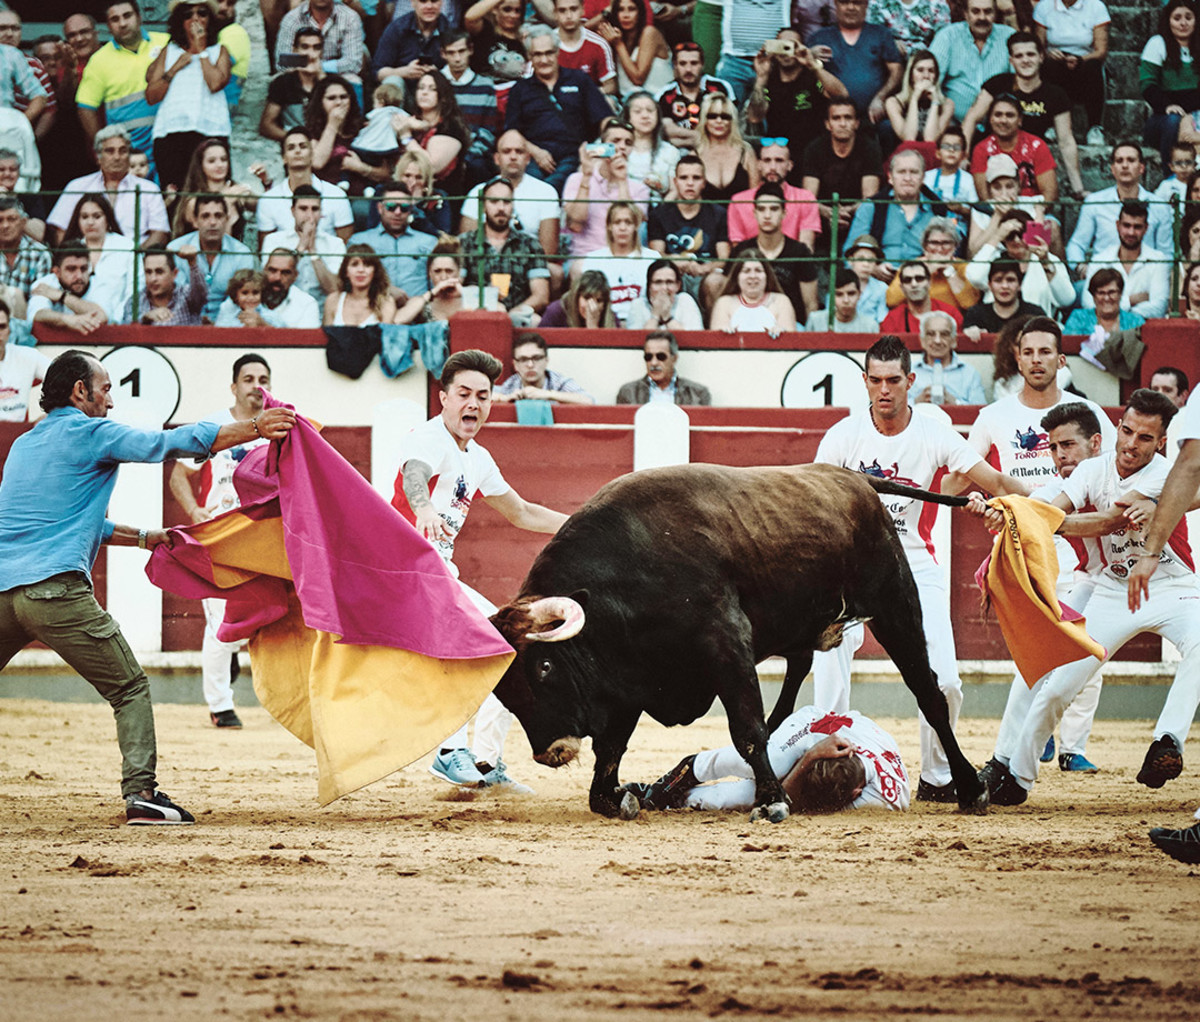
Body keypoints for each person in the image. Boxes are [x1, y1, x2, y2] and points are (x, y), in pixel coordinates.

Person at [0, 349, 296, 824]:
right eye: (107, 388)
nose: (111, 402)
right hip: (55, 592)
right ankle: (142, 794)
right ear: (81, 391)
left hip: (3, 593)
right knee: (131, 687)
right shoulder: (92, 431)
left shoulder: (25, 444)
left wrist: (143, 538)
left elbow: (64, 522)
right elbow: (165, 445)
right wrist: (255, 429)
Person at [810, 334, 1025, 802]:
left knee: (945, 679)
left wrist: (1043, 506)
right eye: (875, 380)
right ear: (864, 382)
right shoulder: (843, 436)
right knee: (830, 663)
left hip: (913, 564)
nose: (884, 390)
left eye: (893, 380)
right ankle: (824, 763)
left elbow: (992, 480)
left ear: (911, 381)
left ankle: (938, 776)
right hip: (850, 570)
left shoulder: (933, 432)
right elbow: (813, 506)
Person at [981, 389, 1200, 807]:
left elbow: (1106, 521)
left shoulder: (1166, 476)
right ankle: (1017, 778)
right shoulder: (1092, 470)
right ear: (1117, 427)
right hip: (1114, 589)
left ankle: (1167, 741)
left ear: (1162, 443)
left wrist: (1046, 522)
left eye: (1145, 438)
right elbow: (1046, 505)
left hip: (1172, 585)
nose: (1132, 444)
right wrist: (1004, 510)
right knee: (1058, 687)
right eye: (1127, 431)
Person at [392, 349, 569, 791]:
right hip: (405, 572)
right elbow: (415, 474)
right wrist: (423, 506)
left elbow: (522, 512)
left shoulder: (478, 457)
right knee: (472, 650)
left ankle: (486, 764)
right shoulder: (428, 439)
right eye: (464, 394)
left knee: (510, 648)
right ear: (444, 398)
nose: (473, 404)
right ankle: (451, 751)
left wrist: (582, 526)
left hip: (437, 575)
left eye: (483, 396)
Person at [168, 354, 274, 729]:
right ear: (234, 387)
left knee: (270, 616)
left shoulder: (278, 426)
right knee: (220, 622)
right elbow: (179, 474)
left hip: (263, 540)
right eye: (248, 379)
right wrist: (195, 511)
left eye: (263, 379)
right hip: (219, 535)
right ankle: (220, 705)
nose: (256, 386)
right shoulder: (215, 425)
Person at [628, 705, 910, 813]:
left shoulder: (877, 802)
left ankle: (676, 797)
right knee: (770, 764)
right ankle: (694, 766)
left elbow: (793, 799)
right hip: (814, 730)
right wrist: (811, 752)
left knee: (738, 797)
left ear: (857, 793)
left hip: (816, 752)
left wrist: (810, 759)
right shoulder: (854, 757)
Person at [954, 317, 1114, 496]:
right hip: (1015, 521)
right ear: (1019, 361)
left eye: (1045, 352)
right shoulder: (990, 416)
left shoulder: (1089, 411)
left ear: (1061, 361)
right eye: (1028, 353)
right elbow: (959, 478)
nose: (1036, 360)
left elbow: (1116, 472)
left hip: (1074, 520)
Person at [960, 31, 1085, 197]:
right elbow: (972, 118)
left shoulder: (1055, 94)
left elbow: (1066, 140)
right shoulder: (997, 84)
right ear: (1011, 61)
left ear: (1041, 57)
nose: (1025, 60)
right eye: (1019, 56)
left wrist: (1078, 188)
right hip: (992, 159)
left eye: (1031, 54)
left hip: (1030, 162)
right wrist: (963, 156)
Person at [503, 25, 612, 192]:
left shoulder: (579, 80)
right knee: (526, 186)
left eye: (549, 53)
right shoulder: (520, 89)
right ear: (529, 57)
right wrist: (536, 152)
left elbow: (604, 117)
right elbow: (511, 131)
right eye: (537, 54)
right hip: (534, 156)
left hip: (574, 155)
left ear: (557, 52)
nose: (544, 60)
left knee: (551, 187)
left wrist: (613, 139)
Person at [75, 1, 170, 181]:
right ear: (109, 27)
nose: (123, 23)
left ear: (139, 17)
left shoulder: (165, 42)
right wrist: (105, 146)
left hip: (170, 141)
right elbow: (85, 108)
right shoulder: (99, 61)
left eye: (127, 15)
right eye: (115, 19)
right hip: (131, 153)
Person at [144, 0, 232, 192]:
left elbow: (215, 83)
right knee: (176, 194)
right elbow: (151, 96)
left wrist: (200, 51)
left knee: (213, 194)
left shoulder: (219, 51)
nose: (195, 19)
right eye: (188, 15)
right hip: (171, 133)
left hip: (210, 131)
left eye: (202, 13)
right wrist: (174, 68)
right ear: (179, 21)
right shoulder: (170, 51)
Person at [46, 125, 170, 248]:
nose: (117, 157)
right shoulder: (77, 186)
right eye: (110, 151)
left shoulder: (148, 188)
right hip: (86, 260)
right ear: (98, 157)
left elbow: (160, 233)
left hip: (135, 260)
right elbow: (60, 231)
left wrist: (134, 259)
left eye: (123, 151)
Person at [1067, 141, 1174, 273]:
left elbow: (1166, 253)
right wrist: (1082, 268)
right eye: (1119, 161)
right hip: (1103, 278)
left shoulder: (1159, 206)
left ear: (1141, 168)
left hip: (1144, 276)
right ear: (1112, 169)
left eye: (1131, 160)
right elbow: (1077, 244)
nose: (1124, 165)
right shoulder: (1095, 201)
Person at [458, 176, 550, 322]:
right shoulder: (464, 243)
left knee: (535, 320)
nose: (501, 207)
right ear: (483, 206)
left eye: (506, 202)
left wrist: (509, 316)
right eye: (494, 201)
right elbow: (455, 286)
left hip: (515, 316)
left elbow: (541, 296)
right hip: (473, 315)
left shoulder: (530, 245)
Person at [460, 130, 561, 260]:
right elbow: (465, 248)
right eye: (506, 151)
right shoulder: (478, 192)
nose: (513, 156)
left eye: (519, 151)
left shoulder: (546, 192)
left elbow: (548, 251)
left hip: (530, 264)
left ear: (528, 158)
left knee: (554, 271)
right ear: (497, 158)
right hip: (485, 263)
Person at [745, 26, 849, 150]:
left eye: (792, 46)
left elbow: (842, 96)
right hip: (780, 151)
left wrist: (813, 65)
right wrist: (761, 78)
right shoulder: (767, 78)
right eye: (781, 46)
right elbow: (755, 117)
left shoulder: (814, 76)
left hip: (813, 150)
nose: (786, 52)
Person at [647, 153, 729, 309]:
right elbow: (656, 255)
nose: (690, 183)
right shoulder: (659, 214)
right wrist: (674, 261)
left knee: (716, 281)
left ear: (704, 182)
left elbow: (724, 258)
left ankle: (715, 330)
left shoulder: (718, 213)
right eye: (684, 178)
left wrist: (704, 268)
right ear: (675, 182)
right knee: (663, 278)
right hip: (673, 274)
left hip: (705, 276)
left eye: (696, 178)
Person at [843, 149, 943, 275]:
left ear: (923, 177)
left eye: (914, 172)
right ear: (890, 177)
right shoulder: (872, 207)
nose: (908, 178)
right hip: (877, 281)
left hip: (923, 279)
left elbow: (949, 252)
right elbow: (850, 252)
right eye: (901, 172)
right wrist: (873, 269)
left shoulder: (937, 209)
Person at [562, 120, 651, 260]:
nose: (622, 147)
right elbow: (576, 224)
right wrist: (586, 176)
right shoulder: (576, 179)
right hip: (586, 257)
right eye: (615, 141)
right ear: (602, 145)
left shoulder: (640, 189)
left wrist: (622, 181)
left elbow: (632, 224)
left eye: (628, 143)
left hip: (623, 257)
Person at [810, 0, 903, 126]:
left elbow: (896, 70)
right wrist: (810, 56)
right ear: (835, 5)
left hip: (874, 116)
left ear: (866, 5)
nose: (851, 7)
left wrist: (881, 98)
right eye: (844, 2)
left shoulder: (881, 34)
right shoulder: (819, 37)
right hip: (834, 120)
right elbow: (807, 77)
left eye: (857, 3)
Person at [966, 208, 1074, 318]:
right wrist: (996, 237)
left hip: (1037, 328)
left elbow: (1066, 300)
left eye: (1022, 234)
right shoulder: (994, 258)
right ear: (1004, 239)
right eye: (1010, 235)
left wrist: (1045, 263)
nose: (1016, 240)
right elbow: (974, 276)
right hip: (999, 328)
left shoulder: (1048, 259)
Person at [254, 129, 355, 244]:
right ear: (283, 158)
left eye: (303, 146)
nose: (297, 151)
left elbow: (345, 245)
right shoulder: (268, 200)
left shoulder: (336, 195)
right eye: (291, 148)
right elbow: (266, 250)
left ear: (312, 154)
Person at [1076, 200, 1170, 321]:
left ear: (1146, 228)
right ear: (1117, 225)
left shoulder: (1158, 260)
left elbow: (1159, 307)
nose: (1131, 232)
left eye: (1137, 227)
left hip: (1142, 331)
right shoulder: (1100, 259)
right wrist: (1131, 300)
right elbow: (1088, 304)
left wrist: (1112, 310)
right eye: (1126, 225)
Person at [168, 194, 256, 322]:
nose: (213, 222)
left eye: (218, 216)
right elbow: (175, 296)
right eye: (205, 216)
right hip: (185, 320)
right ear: (195, 221)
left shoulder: (241, 253)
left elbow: (241, 300)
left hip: (228, 323)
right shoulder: (175, 248)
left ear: (227, 219)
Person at [305, 76, 393, 204]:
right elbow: (317, 162)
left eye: (344, 97)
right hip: (326, 198)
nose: (339, 102)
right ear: (320, 102)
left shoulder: (365, 129)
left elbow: (386, 174)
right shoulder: (311, 133)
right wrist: (332, 125)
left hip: (362, 197)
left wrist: (361, 168)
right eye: (331, 98)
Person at [1032, 0, 1108, 147]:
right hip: (1055, 59)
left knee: (1094, 67)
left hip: (1085, 59)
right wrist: (1048, 54)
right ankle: (1051, 125)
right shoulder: (1045, 6)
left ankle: (1095, 127)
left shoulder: (1096, 6)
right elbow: (1038, 47)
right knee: (1048, 66)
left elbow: (1101, 51)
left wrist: (1080, 59)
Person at [390, 72, 473, 205]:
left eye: (432, 89)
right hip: (400, 194)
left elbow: (430, 166)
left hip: (438, 199)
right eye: (421, 88)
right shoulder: (409, 121)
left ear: (443, 96)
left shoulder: (450, 127)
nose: (424, 93)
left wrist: (406, 137)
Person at [927, 0, 1015, 121]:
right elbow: (931, 80)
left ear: (995, 14)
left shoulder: (1008, 36)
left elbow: (1020, 83)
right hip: (952, 124)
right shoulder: (948, 36)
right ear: (966, 14)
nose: (982, 17)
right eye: (975, 11)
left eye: (988, 11)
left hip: (1000, 124)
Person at [573, 201, 659, 324]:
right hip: (604, 323)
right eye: (617, 222)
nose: (622, 228)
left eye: (628, 222)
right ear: (609, 226)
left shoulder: (652, 258)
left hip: (644, 323)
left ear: (636, 226)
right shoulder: (593, 260)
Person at [350, 182, 439, 302]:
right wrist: (386, 289)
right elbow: (349, 283)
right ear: (380, 208)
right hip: (373, 309)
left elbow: (437, 283)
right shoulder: (359, 241)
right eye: (391, 206)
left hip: (419, 313)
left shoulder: (429, 242)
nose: (398, 212)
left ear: (411, 210)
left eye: (404, 208)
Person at [1140, 0, 1200, 166]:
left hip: (1196, 115)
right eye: (1177, 18)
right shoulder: (1157, 44)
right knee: (1174, 121)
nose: (1183, 23)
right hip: (1164, 118)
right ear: (1168, 20)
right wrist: (1168, 105)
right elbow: (1147, 86)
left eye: (1188, 17)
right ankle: (1172, 179)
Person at [726, 140, 819, 248]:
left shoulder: (805, 198)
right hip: (752, 262)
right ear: (759, 165)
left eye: (779, 161)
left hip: (791, 263)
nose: (773, 167)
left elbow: (806, 249)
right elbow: (739, 250)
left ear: (789, 165)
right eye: (767, 160)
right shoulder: (739, 201)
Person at [439, 30, 503, 185]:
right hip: (440, 151)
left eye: (461, 51)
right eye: (451, 53)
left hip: (474, 155)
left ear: (470, 50)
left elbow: (488, 131)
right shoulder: (435, 83)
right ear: (443, 54)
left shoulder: (485, 86)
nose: (457, 58)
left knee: (477, 167)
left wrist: (467, 157)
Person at [967, 93, 1057, 202]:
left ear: (1020, 120)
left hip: (1034, 212)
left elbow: (1049, 195)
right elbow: (984, 197)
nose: (1003, 120)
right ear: (990, 119)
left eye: (1010, 115)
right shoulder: (981, 149)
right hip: (996, 213)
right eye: (998, 115)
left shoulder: (1037, 146)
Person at [170, 137, 258, 242]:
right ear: (200, 165)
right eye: (212, 161)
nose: (220, 165)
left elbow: (265, 207)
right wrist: (226, 201)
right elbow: (218, 242)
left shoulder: (236, 190)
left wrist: (265, 182)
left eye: (224, 159)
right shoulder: (193, 202)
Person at [884, 216, 978, 313]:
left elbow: (970, 304)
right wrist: (925, 273)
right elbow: (892, 301)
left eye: (946, 243)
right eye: (934, 243)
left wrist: (950, 271)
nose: (939, 249)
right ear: (924, 246)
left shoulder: (964, 267)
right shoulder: (910, 267)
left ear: (955, 246)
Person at [655, 40, 733, 150]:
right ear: (675, 66)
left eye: (694, 63)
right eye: (682, 64)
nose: (688, 69)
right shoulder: (664, 94)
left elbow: (732, 123)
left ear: (702, 64)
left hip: (718, 148)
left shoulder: (720, 88)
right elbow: (666, 130)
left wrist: (686, 138)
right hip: (680, 153)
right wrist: (701, 138)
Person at [693, 91, 758, 212]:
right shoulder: (695, 154)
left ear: (732, 121)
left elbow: (754, 195)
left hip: (741, 223)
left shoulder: (746, 152)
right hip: (705, 227)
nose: (719, 121)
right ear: (704, 120)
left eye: (725, 116)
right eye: (712, 116)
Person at [26, 241, 108, 335]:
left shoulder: (100, 284)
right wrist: (67, 319)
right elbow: (38, 315)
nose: (79, 276)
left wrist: (62, 297)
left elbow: (102, 317)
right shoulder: (44, 284)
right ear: (57, 272)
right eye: (71, 269)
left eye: (83, 268)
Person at [259, 26, 325, 141]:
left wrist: (322, 80)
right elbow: (266, 126)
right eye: (305, 47)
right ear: (295, 51)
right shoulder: (283, 82)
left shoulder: (330, 83)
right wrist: (296, 139)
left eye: (316, 48)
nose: (311, 54)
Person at [710, 248, 797, 335]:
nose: (753, 276)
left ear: (767, 275)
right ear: (737, 276)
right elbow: (717, 340)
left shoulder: (781, 301)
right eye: (746, 271)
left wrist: (781, 332)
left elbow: (790, 339)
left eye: (758, 270)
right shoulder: (724, 302)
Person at [274, 0, 365, 82]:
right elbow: (282, 62)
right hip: (300, 75)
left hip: (335, 77)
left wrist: (319, 67)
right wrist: (308, 68)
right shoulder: (292, 19)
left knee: (354, 80)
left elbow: (353, 63)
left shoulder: (349, 17)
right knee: (279, 81)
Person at [494, 331, 595, 405]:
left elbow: (589, 401)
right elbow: (484, 396)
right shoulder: (511, 384)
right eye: (523, 359)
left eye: (536, 358)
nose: (530, 365)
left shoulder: (558, 382)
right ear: (515, 365)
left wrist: (548, 394)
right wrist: (504, 398)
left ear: (546, 361)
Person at [616, 328, 711, 405]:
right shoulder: (628, 392)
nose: (653, 363)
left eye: (661, 356)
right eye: (648, 357)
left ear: (674, 358)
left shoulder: (698, 393)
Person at [598, 0, 673, 98]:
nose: (626, 15)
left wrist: (619, 45)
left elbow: (638, 79)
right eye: (620, 10)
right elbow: (584, 29)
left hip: (660, 100)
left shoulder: (649, 32)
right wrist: (606, 13)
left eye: (631, 9)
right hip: (627, 103)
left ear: (640, 13)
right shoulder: (615, 37)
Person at [908, 310, 985, 404]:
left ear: (954, 340)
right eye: (931, 334)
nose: (937, 341)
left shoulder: (969, 373)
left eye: (944, 334)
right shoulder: (908, 372)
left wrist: (955, 403)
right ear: (922, 340)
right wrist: (916, 401)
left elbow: (981, 412)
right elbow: (893, 410)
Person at [884, 49, 954, 147]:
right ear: (911, 75)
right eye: (920, 70)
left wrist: (935, 102)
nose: (926, 76)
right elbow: (909, 139)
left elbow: (931, 139)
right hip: (904, 156)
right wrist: (914, 99)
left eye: (931, 71)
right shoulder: (893, 103)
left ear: (936, 76)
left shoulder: (947, 104)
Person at [373, 0, 451, 86]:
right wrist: (404, 72)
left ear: (442, 2)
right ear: (413, 3)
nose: (429, 6)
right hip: (402, 90)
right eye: (423, 1)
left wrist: (437, 74)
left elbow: (459, 71)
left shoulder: (449, 29)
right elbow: (377, 72)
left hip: (437, 90)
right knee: (392, 81)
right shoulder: (397, 29)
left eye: (434, 1)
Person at [961, 258, 1045, 338]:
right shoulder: (975, 315)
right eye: (998, 280)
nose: (1005, 286)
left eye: (1010, 280)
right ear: (989, 285)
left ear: (1020, 285)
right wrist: (969, 332)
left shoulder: (1035, 314)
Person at [622, 89, 682, 200]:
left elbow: (674, 191)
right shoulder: (618, 148)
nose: (645, 116)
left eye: (650, 111)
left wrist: (659, 214)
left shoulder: (670, 152)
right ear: (628, 117)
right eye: (638, 111)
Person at [394, 235, 467, 323]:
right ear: (430, 273)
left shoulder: (469, 299)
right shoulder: (422, 300)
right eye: (437, 271)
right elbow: (398, 320)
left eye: (449, 271)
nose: (443, 277)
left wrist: (464, 294)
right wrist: (432, 293)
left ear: (458, 272)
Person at [551, 0, 617, 95]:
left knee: (609, 102)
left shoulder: (599, 44)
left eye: (573, 9)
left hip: (588, 102)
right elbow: (528, 81)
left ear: (582, 10)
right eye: (562, 10)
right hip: (555, 101)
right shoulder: (545, 43)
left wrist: (586, 95)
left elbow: (610, 85)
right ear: (555, 13)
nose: (569, 16)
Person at [1063, 268, 1145, 345]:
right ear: (1093, 296)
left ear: (1120, 294)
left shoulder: (1135, 322)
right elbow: (1070, 347)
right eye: (1101, 293)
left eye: (1111, 292)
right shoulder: (1079, 318)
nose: (1106, 298)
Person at [0, 298, 50, 421]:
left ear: (9, 329)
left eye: (1, 327)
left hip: (17, 435)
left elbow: (68, 378)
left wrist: (53, 417)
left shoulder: (27, 356)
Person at [323, 243, 397, 325]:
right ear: (346, 272)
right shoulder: (333, 300)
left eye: (367, 265)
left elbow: (385, 336)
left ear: (375, 271)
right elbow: (325, 336)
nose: (361, 270)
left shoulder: (386, 302)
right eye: (354, 264)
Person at [245, 249, 321, 328]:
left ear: (295, 276)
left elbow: (307, 339)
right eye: (273, 270)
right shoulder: (245, 295)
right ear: (264, 271)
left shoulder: (307, 304)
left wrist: (265, 326)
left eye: (285, 273)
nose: (277, 278)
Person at [881, 259, 962, 332]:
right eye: (907, 280)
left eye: (919, 278)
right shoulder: (893, 319)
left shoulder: (950, 313)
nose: (914, 284)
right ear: (902, 288)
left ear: (929, 283)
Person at [622, 258, 705, 329]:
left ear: (678, 285)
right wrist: (655, 315)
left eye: (669, 282)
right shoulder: (638, 304)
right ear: (649, 286)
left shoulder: (685, 300)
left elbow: (693, 340)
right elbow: (637, 342)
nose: (664, 288)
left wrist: (667, 318)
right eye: (658, 282)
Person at [0, 197, 51, 303]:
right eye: (0, 220)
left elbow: (40, 300)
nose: (5, 226)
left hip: (25, 316)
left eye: (11, 219)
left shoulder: (40, 254)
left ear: (23, 222)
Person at [464, 0, 527, 83]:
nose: (513, 15)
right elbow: (470, 17)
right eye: (507, 9)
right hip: (484, 90)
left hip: (514, 91)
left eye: (517, 11)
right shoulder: (485, 30)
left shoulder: (523, 37)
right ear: (494, 10)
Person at [538, 268, 617, 328]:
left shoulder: (610, 317)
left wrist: (592, 327)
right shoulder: (556, 311)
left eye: (599, 300)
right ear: (576, 297)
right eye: (586, 298)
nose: (592, 306)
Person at [807, 268, 880, 332]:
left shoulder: (870, 326)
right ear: (831, 296)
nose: (846, 300)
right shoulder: (816, 321)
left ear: (859, 295)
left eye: (851, 294)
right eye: (839, 294)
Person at [844, 233, 890, 324]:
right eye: (861, 259)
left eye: (871, 260)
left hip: (871, 333)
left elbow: (882, 318)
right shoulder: (840, 284)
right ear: (850, 260)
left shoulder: (881, 288)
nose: (866, 264)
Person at [214, 268, 286, 326]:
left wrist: (262, 324)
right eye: (245, 293)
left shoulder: (271, 316)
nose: (250, 298)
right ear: (235, 295)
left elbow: (283, 337)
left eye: (255, 293)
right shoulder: (228, 315)